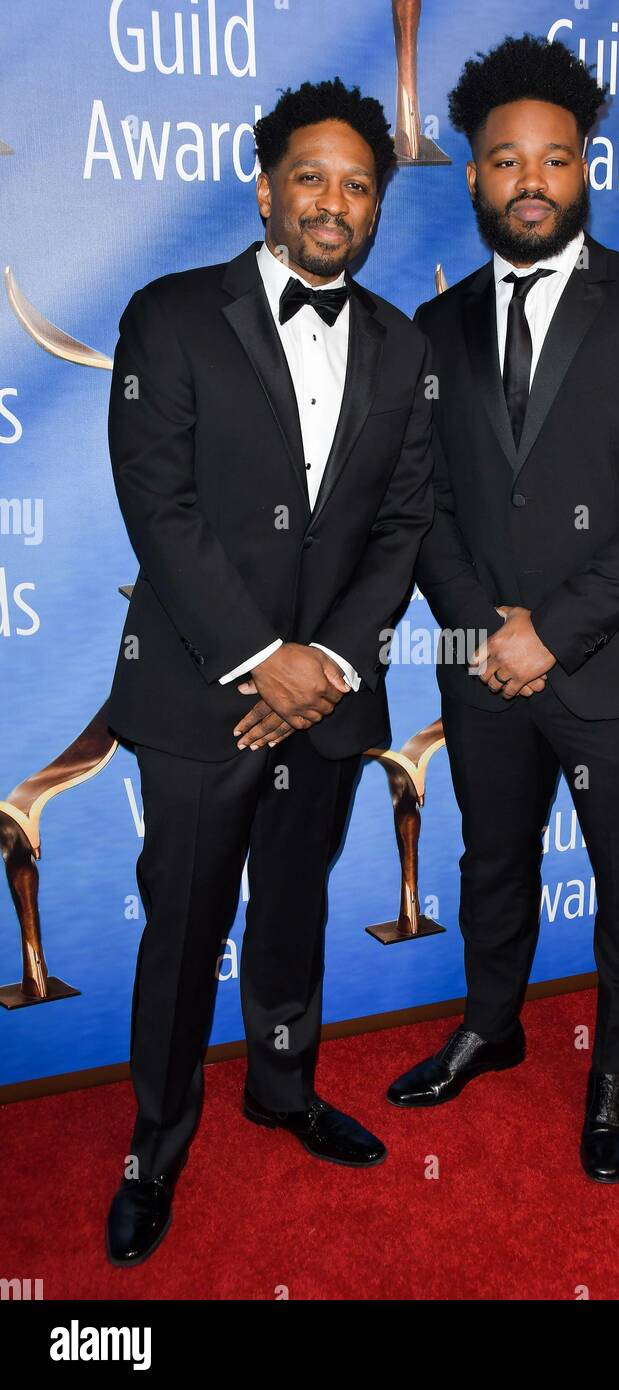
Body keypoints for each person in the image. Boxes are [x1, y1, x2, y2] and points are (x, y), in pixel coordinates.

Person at [387, 35, 619, 1184]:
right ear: (473, 176)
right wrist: (487, 632)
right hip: (478, 667)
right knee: (491, 860)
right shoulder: (428, 335)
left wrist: (552, 629)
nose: (528, 179)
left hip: (614, 667)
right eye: (502, 160)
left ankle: (613, 1074)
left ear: (585, 169)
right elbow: (419, 508)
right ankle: (492, 1023)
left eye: (554, 158)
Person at [104, 77, 433, 1265]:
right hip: (203, 694)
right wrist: (260, 660)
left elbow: (401, 525)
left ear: (377, 207)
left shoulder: (402, 346)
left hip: (332, 704)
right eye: (310, 176)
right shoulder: (170, 315)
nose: (332, 201)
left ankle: (282, 1089)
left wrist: (330, 663)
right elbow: (159, 504)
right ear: (265, 188)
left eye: (356, 184)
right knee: (184, 928)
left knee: (292, 911)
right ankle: (154, 1145)